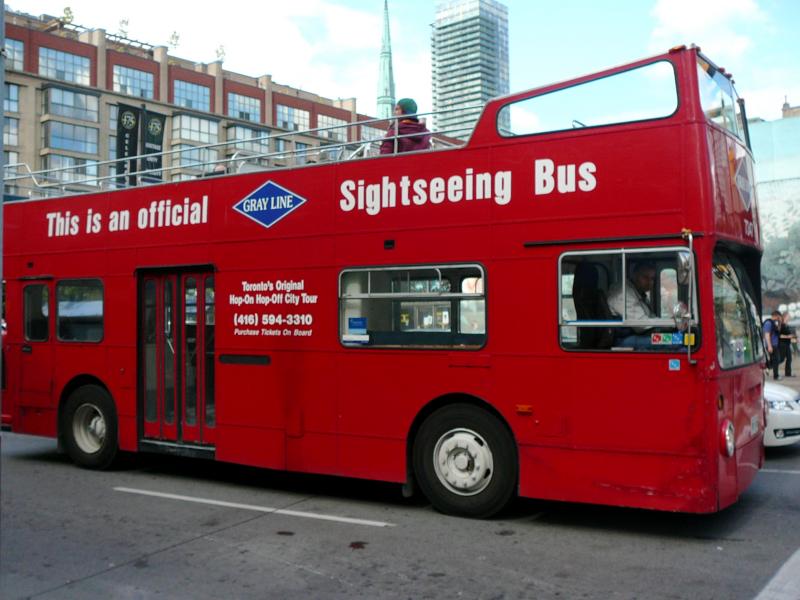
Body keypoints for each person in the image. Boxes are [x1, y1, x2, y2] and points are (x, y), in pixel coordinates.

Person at [608, 262, 657, 348]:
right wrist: (668, 325)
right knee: (673, 342)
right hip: (623, 339)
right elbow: (641, 325)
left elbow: (651, 317)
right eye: (645, 277)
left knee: (675, 339)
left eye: (652, 279)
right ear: (634, 276)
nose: (650, 282)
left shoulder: (640, 294)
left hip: (637, 335)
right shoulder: (623, 292)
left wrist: (669, 324)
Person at [763, 310, 782, 380]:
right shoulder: (768, 323)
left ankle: (767, 368)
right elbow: (767, 335)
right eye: (779, 317)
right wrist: (769, 346)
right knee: (776, 360)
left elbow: (778, 331)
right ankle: (776, 376)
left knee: (774, 360)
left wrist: (780, 323)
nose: (780, 318)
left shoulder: (774, 323)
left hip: (775, 344)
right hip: (771, 345)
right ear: (776, 316)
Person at [779, 312, 796, 377]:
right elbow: (779, 336)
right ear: (785, 317)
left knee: (789, 358)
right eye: (789, 316)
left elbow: (788, 335)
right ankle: (768, 365)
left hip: (787, 344)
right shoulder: (781, 325)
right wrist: (788, 336)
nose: (790, 317)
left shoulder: (787, 325)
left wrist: (793, 338)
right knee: (781, 359)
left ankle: (788, 373)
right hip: (782, 344)